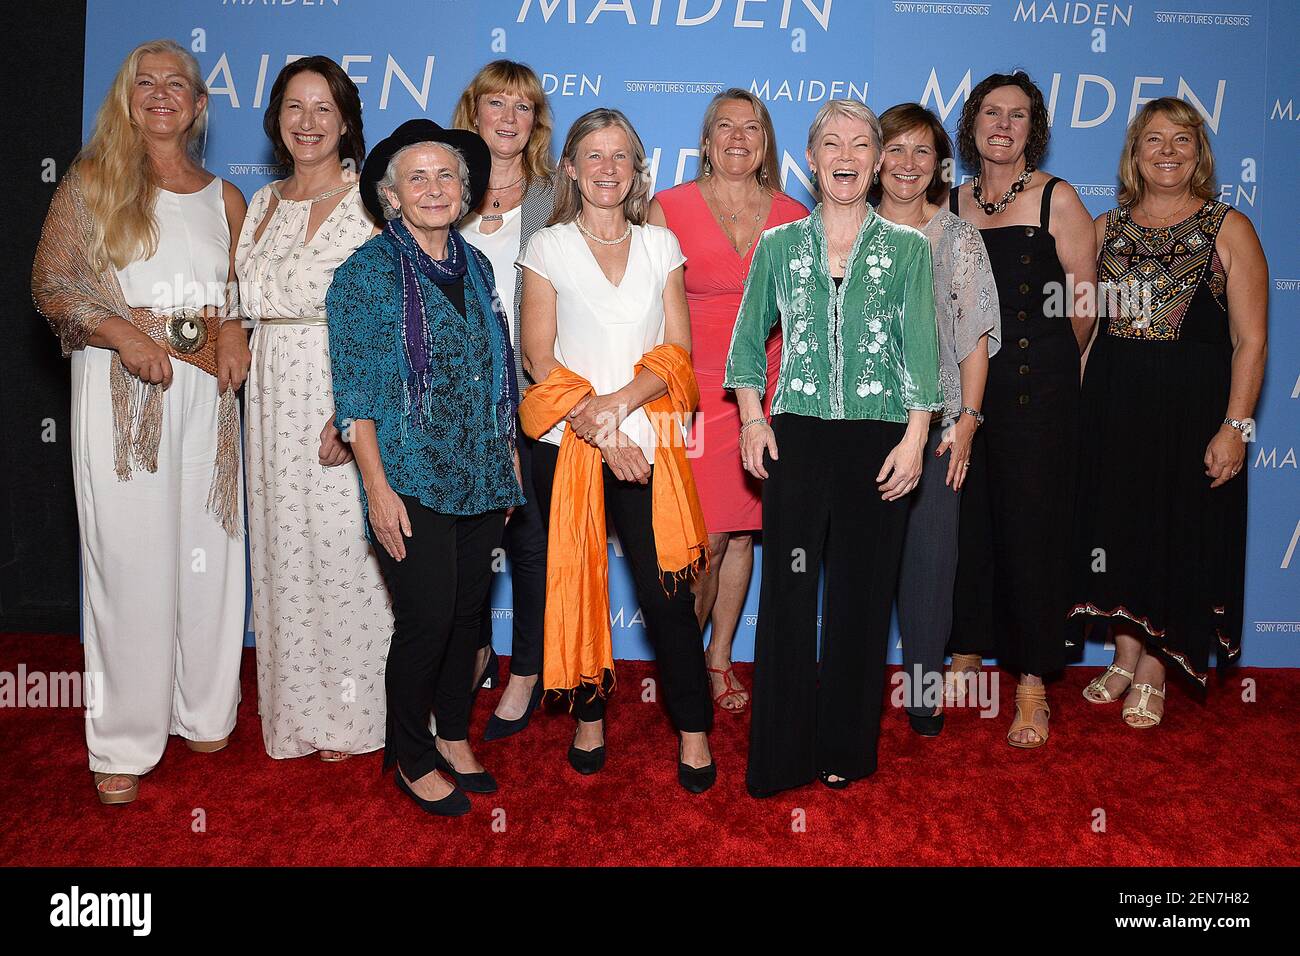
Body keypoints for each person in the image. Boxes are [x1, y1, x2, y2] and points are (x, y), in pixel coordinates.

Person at [31, 39, 247, 805]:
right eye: (144, 82)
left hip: (208, 400)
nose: (161, 93)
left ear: (198, 105)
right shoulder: (93, 183)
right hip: (124, 391)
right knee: (130, 562)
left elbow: (238, 296)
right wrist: (124, 334)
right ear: (127, 99)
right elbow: (55, 284)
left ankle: (204, 706)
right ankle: (123, 738)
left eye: (176, 84)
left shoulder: (227, 197)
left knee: (210, 551)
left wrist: (236, 336)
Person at [726, 100, 943, 798]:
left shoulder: (908, 250)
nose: (845, 156)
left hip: (880, 440)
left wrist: (916, 439)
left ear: (877, 161)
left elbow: (924, 354)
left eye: (859, 144)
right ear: (811, 160)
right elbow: (744, 347)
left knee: (861, 598)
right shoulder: (778, 247)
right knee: (788, 595)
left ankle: (846, 745)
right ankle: (781, 755)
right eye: (830, 144)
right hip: (800, 437)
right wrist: (754, 420)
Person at [518, 108, 716, 793]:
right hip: (567, 441)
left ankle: (693, 729)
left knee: (668, 595)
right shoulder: (546, 247)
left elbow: (678, 354)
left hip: (650, 436)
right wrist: (600, 432)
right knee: (578, 582)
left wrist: (622, 411)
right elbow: (538, 356)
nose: (607, 168)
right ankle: (590, 717)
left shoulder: (662, 246)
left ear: (637, 170)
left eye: (621, 157)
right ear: (569, 168)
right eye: (593, 156)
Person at [328, 120, 523, 816]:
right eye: (418, 177)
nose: (435, 188)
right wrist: (377, 492)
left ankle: (452, 733)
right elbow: (357, 401)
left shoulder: (477, 265)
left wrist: (506, 463)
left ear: (464, 191)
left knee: (468, 617)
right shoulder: (366, 275)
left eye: (447, 176)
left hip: (479, 474)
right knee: (427, 620)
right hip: (409, 479)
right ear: (391, 196)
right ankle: (409, 754)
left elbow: (493, 373)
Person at [1071, 97, 1267, 727]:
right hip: (1113, 406)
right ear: (1134, 152)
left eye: (1182, 141)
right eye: (1154, 140)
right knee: (1120, 531)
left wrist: (1235, 426)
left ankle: (1158, 667)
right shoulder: (1105, 229)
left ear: (1199, 153)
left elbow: (1252, 340)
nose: (1167, 152)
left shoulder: (1228, 228)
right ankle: (1126, 656)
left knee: (1175, 531)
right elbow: (1085, 330)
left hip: (1191, 413)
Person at [237, 56, 392, 762]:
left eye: (322, 108)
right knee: (284, 555)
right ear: (276, 121)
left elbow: (393, 318)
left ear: (345, 120)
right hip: (268, 402)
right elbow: (239, 312)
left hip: (339, 394)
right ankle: (298, 714)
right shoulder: (262, 205)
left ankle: (354, 719)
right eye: (294, 108)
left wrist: (353, 413)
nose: (307, 122)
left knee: (345, 557)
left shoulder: (372, 202)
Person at [947, 71, 1097, 748]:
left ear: (1031, 129)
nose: (1002, 125)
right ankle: (968, 649)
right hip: (965, 395)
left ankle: (1033, 679)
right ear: (972, 124)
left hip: (1041, 396)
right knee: (966, 524)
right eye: (991, 113)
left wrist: (1043, 375)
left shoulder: (1056, 200)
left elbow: (1083, 307)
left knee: (1033, 532)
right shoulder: (949, 202)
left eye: (1016, 116)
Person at [648, 88, 807, 715]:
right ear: (706, 141)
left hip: (766, 395)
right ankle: (687, 664)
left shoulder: (795, 213)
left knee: (743, 536)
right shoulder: (668, 208)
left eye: (752, 128)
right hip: (693, 392)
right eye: (725, 127)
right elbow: (646, 306)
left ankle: (718, 662)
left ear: (765, 143)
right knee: (707, 538)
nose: (738, 137)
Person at [869, 103, 1000, 737]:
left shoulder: (958, 237)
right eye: (895, 149)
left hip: (943, 427)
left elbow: (975, 337)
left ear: (940, 165)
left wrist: (969, 421)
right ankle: (854, 686)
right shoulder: (846, 231)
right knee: (860, 569)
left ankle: (924, 692)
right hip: (860, 425)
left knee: (930, 567)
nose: (908, 164)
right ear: (873, 157)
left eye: (923, 152)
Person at [451, 60, 556, 740]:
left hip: (533, 397)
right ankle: (474, 652)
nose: (509, 117)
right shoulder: (441, 184)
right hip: (454, 402)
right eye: (498, 102)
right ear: (475, 110)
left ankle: (528, 671)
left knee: (531, 540)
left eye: (523, 106)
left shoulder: (555, 195)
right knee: (461, 537)